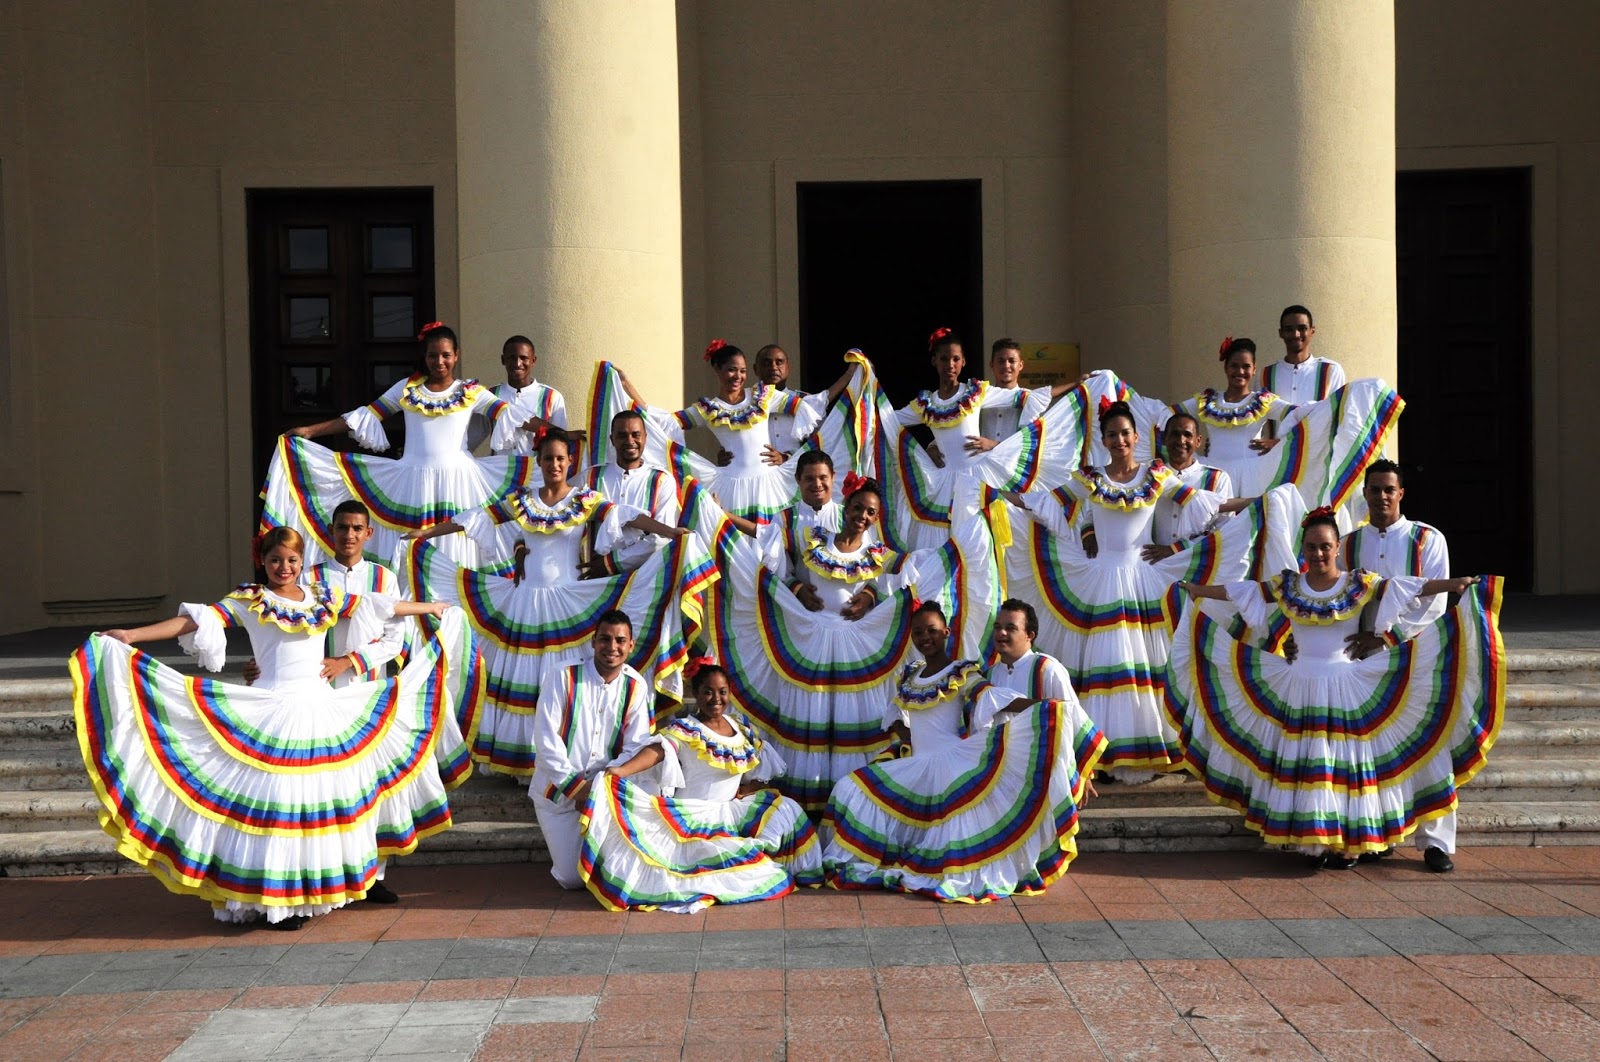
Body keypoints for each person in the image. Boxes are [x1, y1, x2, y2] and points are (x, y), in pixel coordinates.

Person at [71, 527, 471, 929]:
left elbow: (380, 606)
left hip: (319, 709)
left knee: (321, 803)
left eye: (292, 560)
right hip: (270, 710)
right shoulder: (250, 599)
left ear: (302, 562)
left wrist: (432, 607)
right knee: (277, 808)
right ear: (263, 561)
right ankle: (275, 903)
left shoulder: (321, 596)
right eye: (276, 560)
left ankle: (319, 889)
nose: (285, 567)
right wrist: (131, 635)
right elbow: (193, 622)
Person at [1169, 508, 1498, 871]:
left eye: (1325, 546)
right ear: (1303, 548)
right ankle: (1316, 843)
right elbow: (1241, 592)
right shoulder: (1287, 584)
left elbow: (1410, 586)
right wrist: (1196, 590)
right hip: (1299, 684)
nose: (1318, 554)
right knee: (1311, 766)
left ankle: (1348, 843)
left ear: (1337, 547)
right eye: (1311, 547)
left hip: (1346, 685)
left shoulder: (1358, 582)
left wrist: (1454, 585)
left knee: (1345, 768)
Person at [401, 429, 701, 778]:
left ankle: (567, 762)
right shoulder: (521, 500)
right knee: (525, 681)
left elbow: (627, 516)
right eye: (548, 459)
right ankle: (525, 765)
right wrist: (426, 534)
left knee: (568, 680)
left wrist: (669, 532)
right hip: (525, 601)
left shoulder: (584, 499)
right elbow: (473, 517)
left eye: (560, 459)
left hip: (570, 601)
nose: (554, 464)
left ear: (569, 462)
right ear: (539, 462)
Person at [701, 472, 999, 813]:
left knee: (851, 716)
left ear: (876, 518)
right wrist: (722, 519)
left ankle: (849, 805)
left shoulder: (878, 554)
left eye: (871, 512)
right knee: (810, 712)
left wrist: (954, 551)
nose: (863, 516)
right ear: (846, 508)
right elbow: (768, 537)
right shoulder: (815, 540)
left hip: (857, 641)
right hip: (810, 637)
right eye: (858, 508)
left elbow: (916, 571)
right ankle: (807, 803)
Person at [1002, 400, 1242, 783]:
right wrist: (995, 496)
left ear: (1136, 437)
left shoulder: (1156, 475)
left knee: (1148, 668)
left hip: (1143, 576)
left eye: (1125, 434)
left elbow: (1203, 504)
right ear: (1104, 439)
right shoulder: (1090, 478)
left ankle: (1149, 747)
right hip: (1102, 577)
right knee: (1107, 664)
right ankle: (1103, 749)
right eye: (1112, 434)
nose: (1119, 440)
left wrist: (1257, 503)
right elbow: (1044, 502)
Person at [822, 601, 1104, 903]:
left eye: (931, 630)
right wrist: (909, 739)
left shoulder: (963, 670)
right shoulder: (912, 673)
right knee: (850, 787)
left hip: (953, 762)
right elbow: (896, 716)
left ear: (946, 632)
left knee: (956, 836)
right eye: (918, 632)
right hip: (920, 763)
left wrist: (1047, 709)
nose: (925, 637)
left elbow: (993, 699)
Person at [261, 322, 537, 569]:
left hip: (461, 481)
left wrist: (557, 434)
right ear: (425, 357)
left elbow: (515, 417)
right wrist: (311, 430)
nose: (439, 361)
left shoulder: (471, 391)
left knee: (460, 548)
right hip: (412, 481)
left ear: (456, 355)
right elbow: (365, 415)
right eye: (433, 355)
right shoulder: (407, 389)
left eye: (446, 355)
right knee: (412, 548)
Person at [580, 658, 823, 912]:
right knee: (724, 869)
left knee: (787, 809)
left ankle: (802, 867)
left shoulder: (739, 727)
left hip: (730, 812)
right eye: (707, 691)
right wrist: (621, 770)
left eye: (722, 692)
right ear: (695, 693)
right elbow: (658, 751)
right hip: (692, 817)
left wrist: (748, 789)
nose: (716, 698)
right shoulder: (686, 729)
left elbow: (758, 768)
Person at [1338, 459, 1456, 870]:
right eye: (1375, 489)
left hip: (1417, 656)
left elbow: (1435, 603)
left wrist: (1388, 635)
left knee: (1427, 744)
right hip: (1362, 661)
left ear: (1401, 493)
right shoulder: (1347, 544)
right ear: (1365, 494)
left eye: (1389, 489)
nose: (1382, 496)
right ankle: (1375, 835)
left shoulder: (1428, 539)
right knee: (1367, 748)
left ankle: (1436, 843)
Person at [876, 330, 1082, 550]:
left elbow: (1026, 397)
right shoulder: (926, 404)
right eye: (944, 359)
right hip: (945, 482)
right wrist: (864, 395)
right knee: (948, 542)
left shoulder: (976, 393)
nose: (950, 365)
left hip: (980, 477)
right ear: (934, 361)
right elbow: (888, 419)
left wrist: (1076, 384)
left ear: (963, 362)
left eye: (956, 359)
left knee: (983, 540)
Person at [618, 340, 857, 523]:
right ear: (717, 369)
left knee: (772, 542)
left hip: (769, 484)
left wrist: (849, 376)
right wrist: (629, 389)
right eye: (732, 370)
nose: (738, 376)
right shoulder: (707, 409)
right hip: (730, 486)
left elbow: (813, 404)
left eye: (742, 371)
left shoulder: (762, 397)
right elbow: (662, 422)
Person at [530, 611, 657, 889]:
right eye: (605, 639)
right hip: (558, 795)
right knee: (572, 878)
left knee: (617, 873)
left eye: (620, 640)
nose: (612, 647)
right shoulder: (563, 675)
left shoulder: (636, 685)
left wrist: (597, 789)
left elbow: (636, 746)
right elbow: (546, 741)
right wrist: (576, 789)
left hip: (604, 794)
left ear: (631, 645)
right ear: (593, 641)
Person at [243, 499, 411, 689]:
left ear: (368, 533)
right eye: (342, 527)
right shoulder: (309, 576)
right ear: (331, 530)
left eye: (357, 528)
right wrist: (262, 662)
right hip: (318, 684)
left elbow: (394, 640)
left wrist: (348, 662)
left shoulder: (385, 578)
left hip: (369, 686)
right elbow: (289, 627)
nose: (349, 535)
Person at [1170, 337, 1296, 492]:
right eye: (1234, 366)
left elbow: (1301, 415)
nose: (1240, 372)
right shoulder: (1207, 400)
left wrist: (1279, 443)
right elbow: (1167, 415)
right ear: (1226, 368)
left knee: (1246, 514)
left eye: (1246, 366)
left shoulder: (1262, 401)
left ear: (1254, 369)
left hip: (1250, 476)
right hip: (1212, 475)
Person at [577, 409, 680, 576]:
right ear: (612, 439)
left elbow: (662, 539)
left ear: (645, 437)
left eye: (636, 435)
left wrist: (611, 563)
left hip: (644, 580)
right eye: (622, 435)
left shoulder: (661, 480)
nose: (630, 441)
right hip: (595, 581)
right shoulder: (591, 477)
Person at [1148, 413, 1233, 550]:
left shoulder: (1217, 478)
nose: (1181, 440)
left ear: (1198, 441)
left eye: (1187, 435)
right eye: (1175, 434)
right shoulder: (1150, 475)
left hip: (1198, 565)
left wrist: (1176, 550)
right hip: (1154, 563)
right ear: (1164, 438)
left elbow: (1224, 529)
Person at [480, 335, 568, 456]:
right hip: (500, 471)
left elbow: (560, 441)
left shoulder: (551, 397)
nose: (518, 363)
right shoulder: (491, 395)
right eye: (512, 358)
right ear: (503, 360)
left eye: (524, 358)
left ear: (533, 360)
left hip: (536, 472)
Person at [1260, 305, 1346, 405]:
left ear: (1312, 331)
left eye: (1302, 328)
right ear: (1281, 333)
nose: (1296, 334)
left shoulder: (1331, 371)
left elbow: (1338, 415)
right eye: (1289, 329)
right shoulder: (1265, 375)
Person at [975, 337, 1053, 446]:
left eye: (1012, 361)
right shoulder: (978, 397)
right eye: (1001, 361)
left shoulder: (1032, 401)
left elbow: (1032, 444)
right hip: (981, 462)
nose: (1006, 366)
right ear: (992, 365)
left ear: (1020, 365)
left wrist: (993, 445)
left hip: (1014, 462)